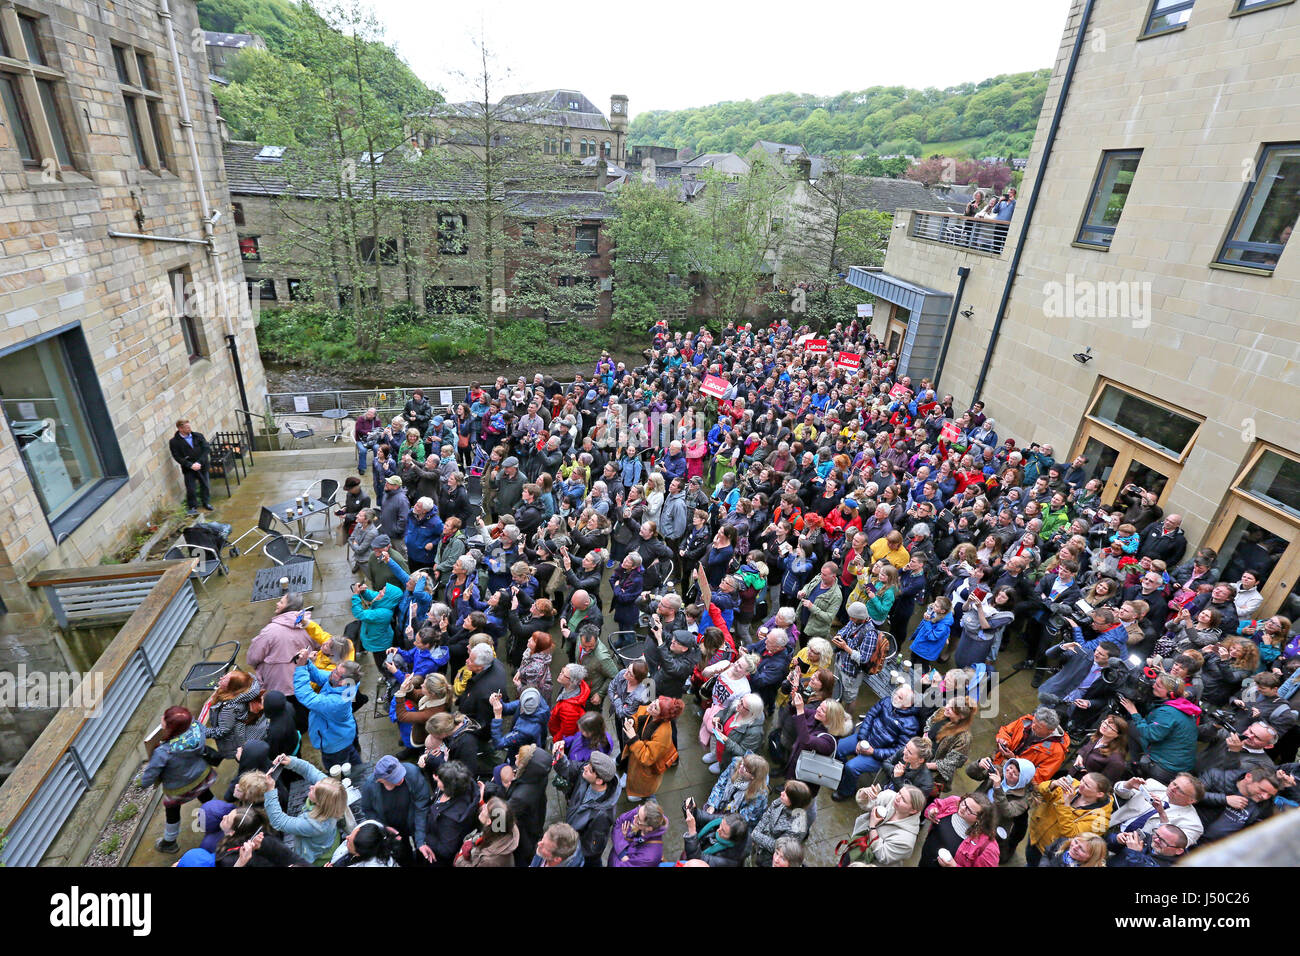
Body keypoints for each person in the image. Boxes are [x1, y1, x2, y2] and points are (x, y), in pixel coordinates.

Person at [136, 706, 217, 853]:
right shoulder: (196, 727)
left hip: (179, 789)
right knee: (207, 796)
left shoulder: (163, 751)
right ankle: (220, 817)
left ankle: (169, 842)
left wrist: (144, 781)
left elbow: (147, 779)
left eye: (165, 719)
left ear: (170, 727)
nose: (162, 718)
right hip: (202, 777)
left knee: (172, 812)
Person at [832, 683, 922, 800]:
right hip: (865, 738)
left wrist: (873, 752)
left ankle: (846, 791)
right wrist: (862, 739)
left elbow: (898, 751)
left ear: (908, 704)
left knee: (851, 767)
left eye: (900, 698)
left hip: (879, 755)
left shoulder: (911, 724)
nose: (894, 698)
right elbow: (870, 716)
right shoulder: (886, 701)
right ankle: (845, 775)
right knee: (837, 747)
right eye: (896, 694)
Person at [262, 753, 350, 865]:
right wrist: (291, 762)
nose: (310, 786)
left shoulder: (315, 825)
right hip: (329, 839)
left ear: (319, 802)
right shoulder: (333, 794)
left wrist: (269, 791)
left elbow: (279, 821)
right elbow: (309, 770)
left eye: (314, 791)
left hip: (315, 855)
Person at [1118, 672, 1201, 782]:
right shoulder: (1181, 704)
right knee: (1135, 726)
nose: (1153, 686)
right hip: (1179, 764)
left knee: (1132, 725)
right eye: (1155, 683)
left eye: (1158, 686)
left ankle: (1136, 765)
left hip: (1166, 768)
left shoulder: (1168, 712)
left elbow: (1150, 735)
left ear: (1170, 693)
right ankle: (1136, 762)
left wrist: (1134, 712)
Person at [550, 745, 621, 866]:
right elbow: (570, 769)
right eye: (588, 763)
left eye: (590, 769)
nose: (585, 767)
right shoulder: (587, 773)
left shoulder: (602, 816)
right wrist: (560, 758)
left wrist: (569, 851)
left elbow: (592, 849)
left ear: (599, 781)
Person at [291, 648, 362, 767]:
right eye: (335, 669)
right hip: (342, 735)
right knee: (354, 762)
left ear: (344, 682)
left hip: (334, 746)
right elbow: (319, 676)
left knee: (338, 775)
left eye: (336, 673)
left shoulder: (337, 702)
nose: (332, 672)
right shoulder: (346, 683)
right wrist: (307, 663)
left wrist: (300, 668)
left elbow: (306, 696)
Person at [1026, 772, 1114, 866]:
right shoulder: (1073, 784)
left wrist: (1066, 805)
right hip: (1035, 835)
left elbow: (1070, 834)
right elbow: (1040, 792)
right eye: (1082, 780)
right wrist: (1052, 784)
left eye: (1087, 785)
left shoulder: (1100, 820)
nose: (1080, 784)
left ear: (1099, 794)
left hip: (1053, 851)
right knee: (1029, 861)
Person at [357, 754, 431, 866]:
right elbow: (368, 810)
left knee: (421, 850)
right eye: (395, 778)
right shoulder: (369, 787)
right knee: (402, 855)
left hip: (415, 822)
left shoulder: (412, 772)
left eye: (400, 773)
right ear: (381, 780)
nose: (401, 778)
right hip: (393, 831)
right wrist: (384, 828)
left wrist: (420, 840)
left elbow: (422, 806)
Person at [839, 784, 926, 866]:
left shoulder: (906, 841)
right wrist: (864, 794)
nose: (897, 797)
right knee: (845, 860)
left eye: (903, 799)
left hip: (869, 863)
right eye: (899, 792)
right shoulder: (891, 797)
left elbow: (882, 855)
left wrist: (872, 826)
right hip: (857, 845)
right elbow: (868, 804)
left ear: (913, 811)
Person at [622, 696, 683, 801]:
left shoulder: (663, 733)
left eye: (655, 708)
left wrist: (633, 739)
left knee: (642, 787)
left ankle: (644, 797)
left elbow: (647, 758)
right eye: (655, 701)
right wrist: (633, 720)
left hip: (646, 769)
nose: (651, 705)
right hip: (636, 760)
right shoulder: (652, 713)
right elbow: (639, 715)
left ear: (662, 716)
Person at [920, 793, 1000, 867]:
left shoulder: (988, 848)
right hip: (924, 860)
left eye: (969, 810)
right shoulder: (954, 802)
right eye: (964, 803)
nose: (962, 808)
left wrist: (953, 866)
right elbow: (934, 805)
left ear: (980, 819)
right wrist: (931, 812)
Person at [748, 780, 812, 866]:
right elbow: (767, 815)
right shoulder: (782, 801)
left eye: (786, 794)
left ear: (794, 801)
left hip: (774, 855)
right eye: (784, 790)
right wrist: (756, 832)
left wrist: (755, 836)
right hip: (761, 840)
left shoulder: (798, 827)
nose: (782, 793)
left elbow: (779, 846)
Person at [454, 796, 520, 867]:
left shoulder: (490, 861)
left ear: (489, 821)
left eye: (486, 808)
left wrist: (460, 858)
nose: (483, 806)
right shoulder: (501, 828)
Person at [169, 418, 213, 514]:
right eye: (187, 427)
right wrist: (190, 465)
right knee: (191, 488)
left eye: (189, 426)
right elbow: (177, 456)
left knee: (205, 485)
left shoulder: (198, 436)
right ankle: (193, 506)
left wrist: (199, 462)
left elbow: (206, 449)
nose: (189, 428)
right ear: (180, 429)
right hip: (189, 469)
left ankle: (206, 502)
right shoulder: (174, 442)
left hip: (202, 466)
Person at [608, 801, 668, 867]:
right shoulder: (643, 812)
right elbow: (619, 822)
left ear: (649, 828)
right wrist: (622, 853)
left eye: (638, 819)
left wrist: (620, 840)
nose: (634, 817)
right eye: (637, 812)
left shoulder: (649, 857)